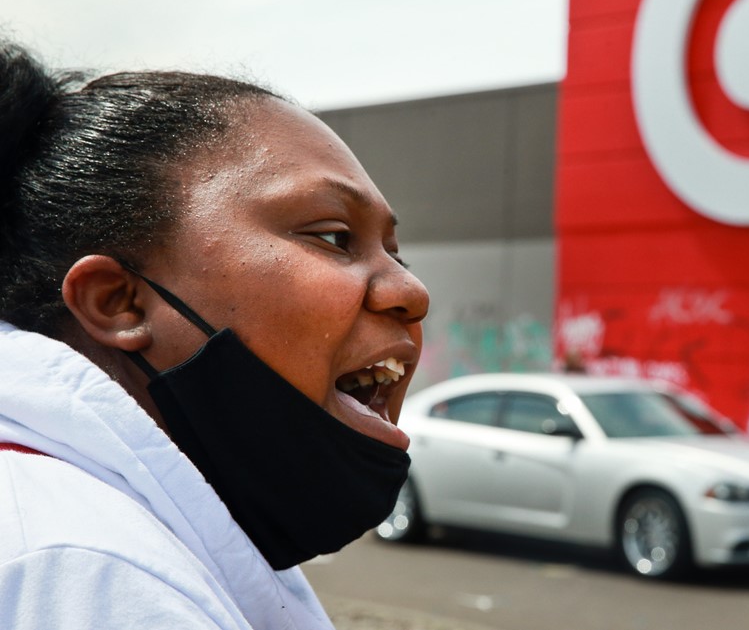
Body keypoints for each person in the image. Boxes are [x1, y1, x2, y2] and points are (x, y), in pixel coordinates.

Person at [0, 41, 430, 628]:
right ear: (120, 302)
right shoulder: (90, 573)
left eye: (396, 253)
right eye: (333, 237)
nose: (411, 292)